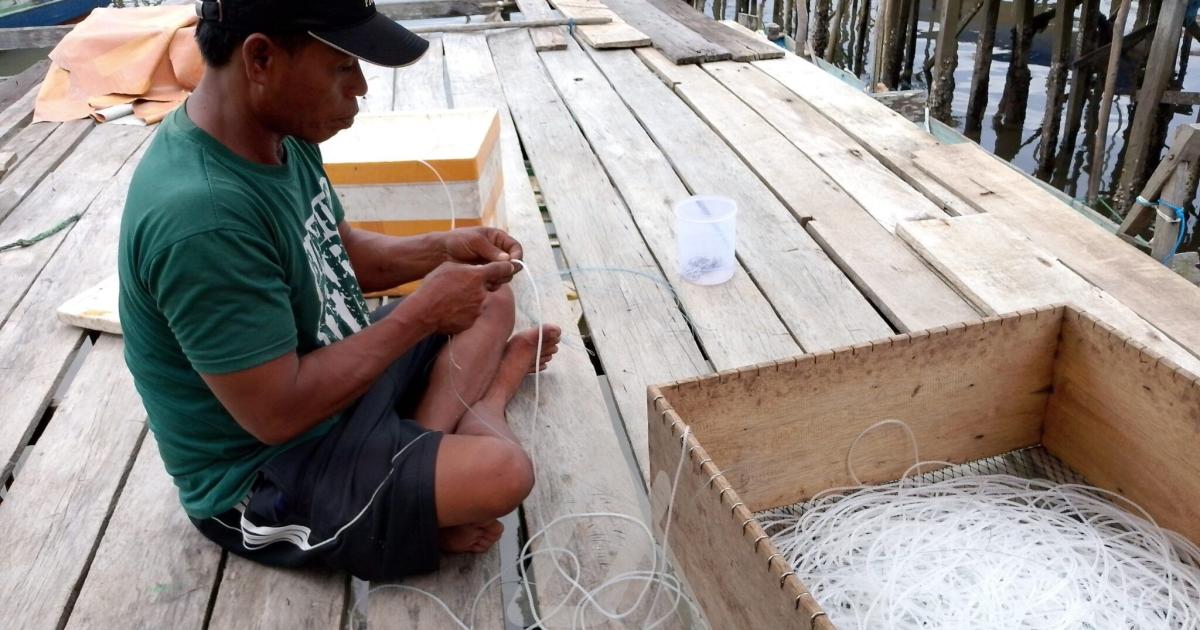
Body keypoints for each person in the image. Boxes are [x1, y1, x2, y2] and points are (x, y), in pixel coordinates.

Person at [118, 0, 561, 581]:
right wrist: (423, 314)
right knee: (503, 473)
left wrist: (442, 250)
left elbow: (338, 248)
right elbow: (275, 416)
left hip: (331, 381)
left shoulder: (278, 131)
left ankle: (415, 457)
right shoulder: (203, 218)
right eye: (342, 65)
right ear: (260, 58)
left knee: (491, 298)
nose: (361, 87)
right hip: (267, 467)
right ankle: (486, 400)